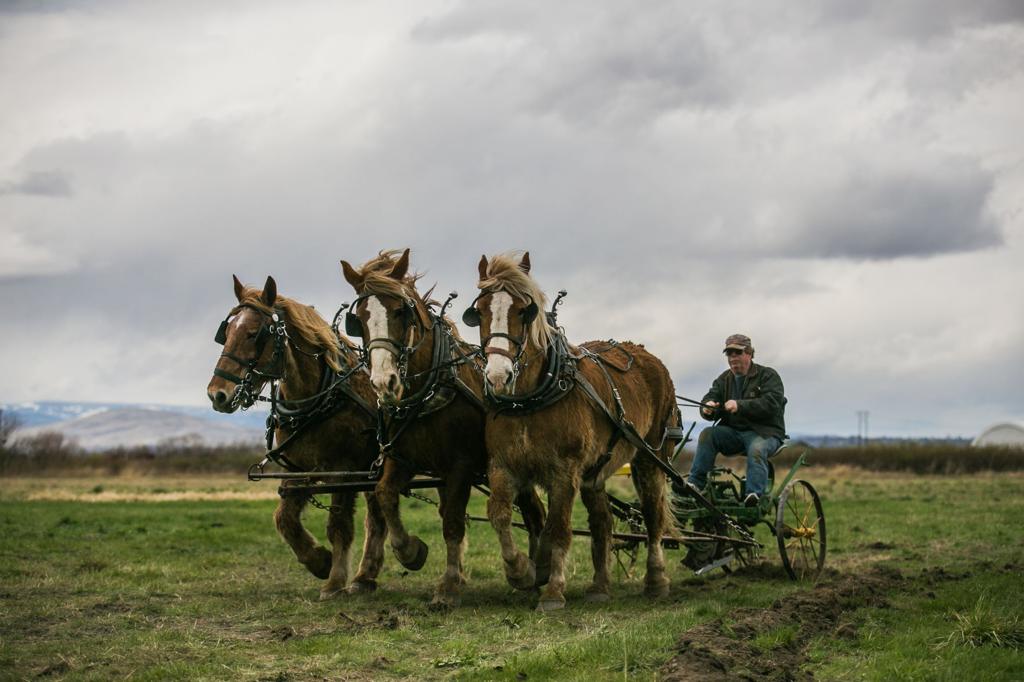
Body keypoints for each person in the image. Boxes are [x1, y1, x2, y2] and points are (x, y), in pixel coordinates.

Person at [686, 333, 787, 507]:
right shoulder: (723, 379)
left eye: (737, 353)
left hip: (765, 434)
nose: (733, 358)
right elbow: (711, 396)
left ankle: (753, 494)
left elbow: (772, 404)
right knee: (708, 434)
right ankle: (695, 485)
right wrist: (707, 407)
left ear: (749, 353)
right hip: (734, 434)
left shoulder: (769, 376)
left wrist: (740, 405)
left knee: (756, 448)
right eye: (729, 354)